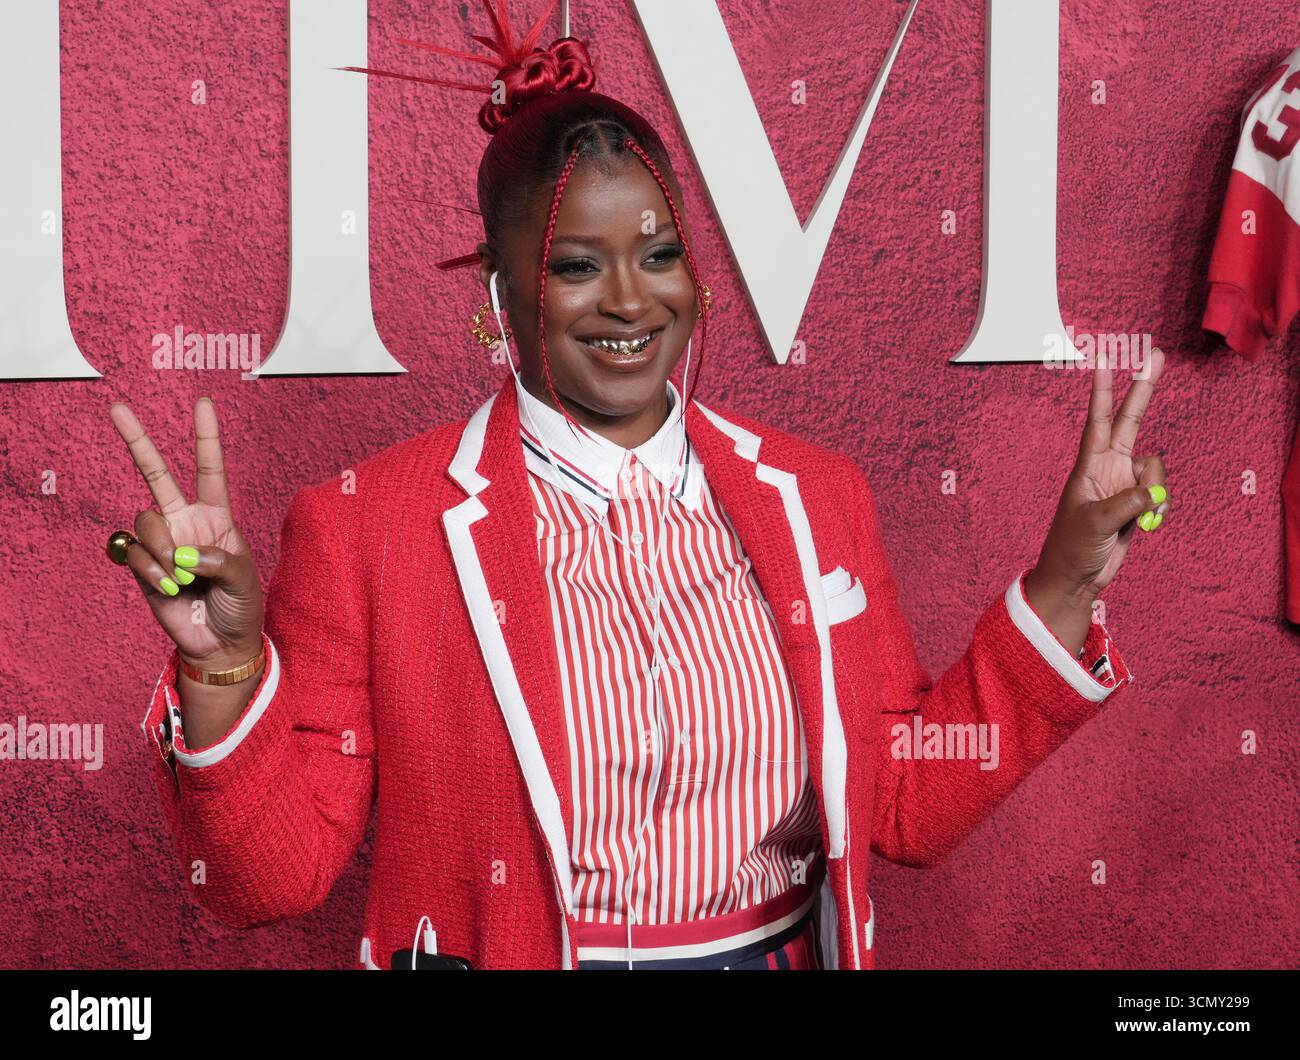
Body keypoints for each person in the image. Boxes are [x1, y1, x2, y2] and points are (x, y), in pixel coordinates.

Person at [106, 0, 1170, 970]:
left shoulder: (814, 494)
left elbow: (906, 802)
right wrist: (226, 666)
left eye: (657, 254)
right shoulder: (370, 523)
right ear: (498, 290)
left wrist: (1066, 580)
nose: (628, 300)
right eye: (574, 265)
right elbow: (269, 883)